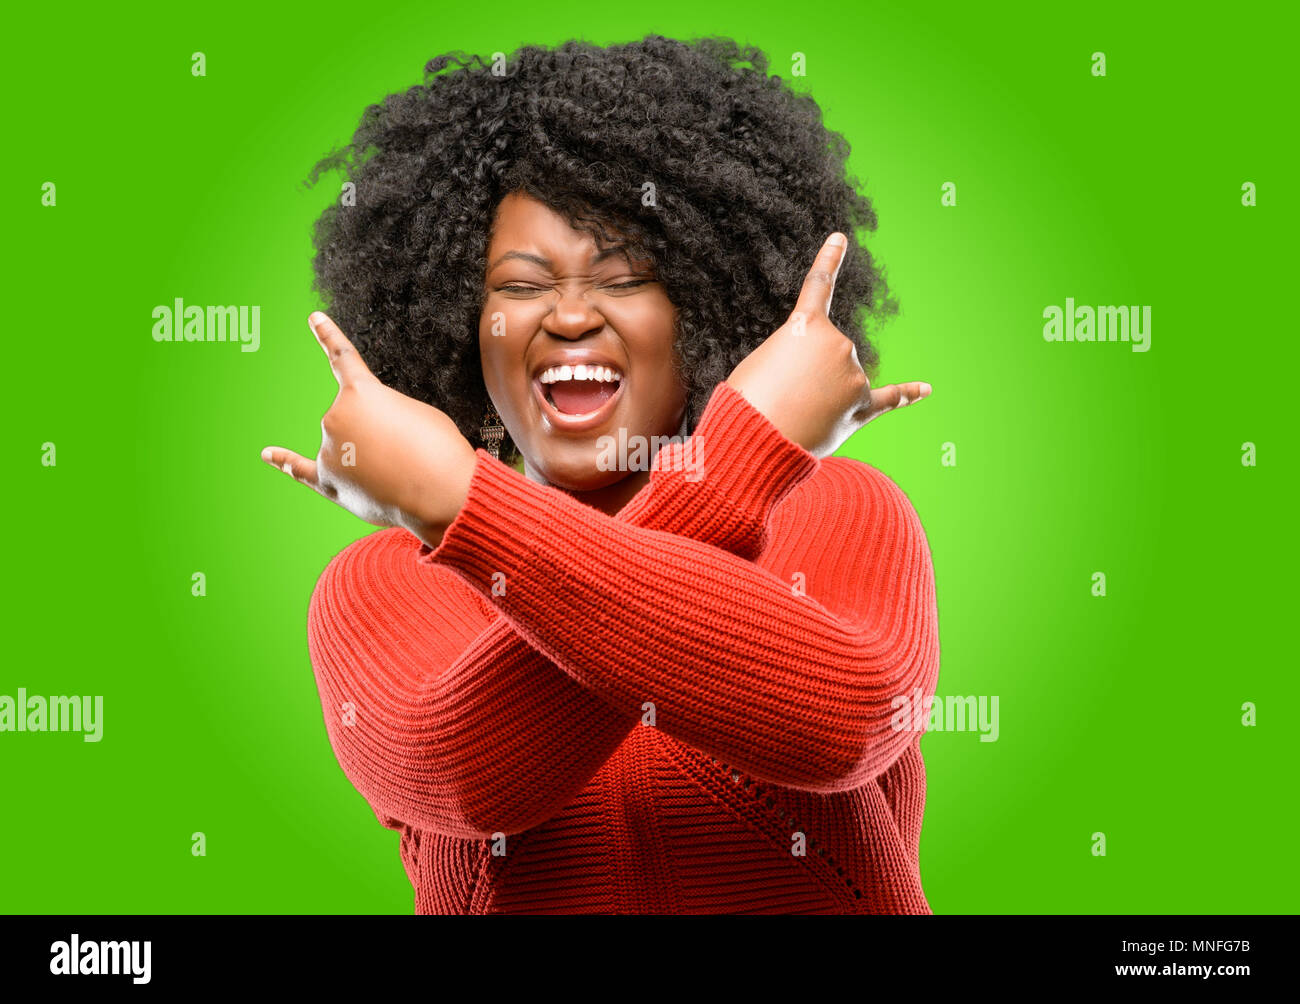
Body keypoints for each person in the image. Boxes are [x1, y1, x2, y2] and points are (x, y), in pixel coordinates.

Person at [262, 34, 939, 914]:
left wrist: (460, 500)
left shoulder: (843, 508)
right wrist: (740, 457)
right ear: (461, 326)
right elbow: (471, 773)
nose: (572, 315)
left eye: (624, 279)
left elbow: (840, 720)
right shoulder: (379, 585)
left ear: (702, 305)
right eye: (520, 285)